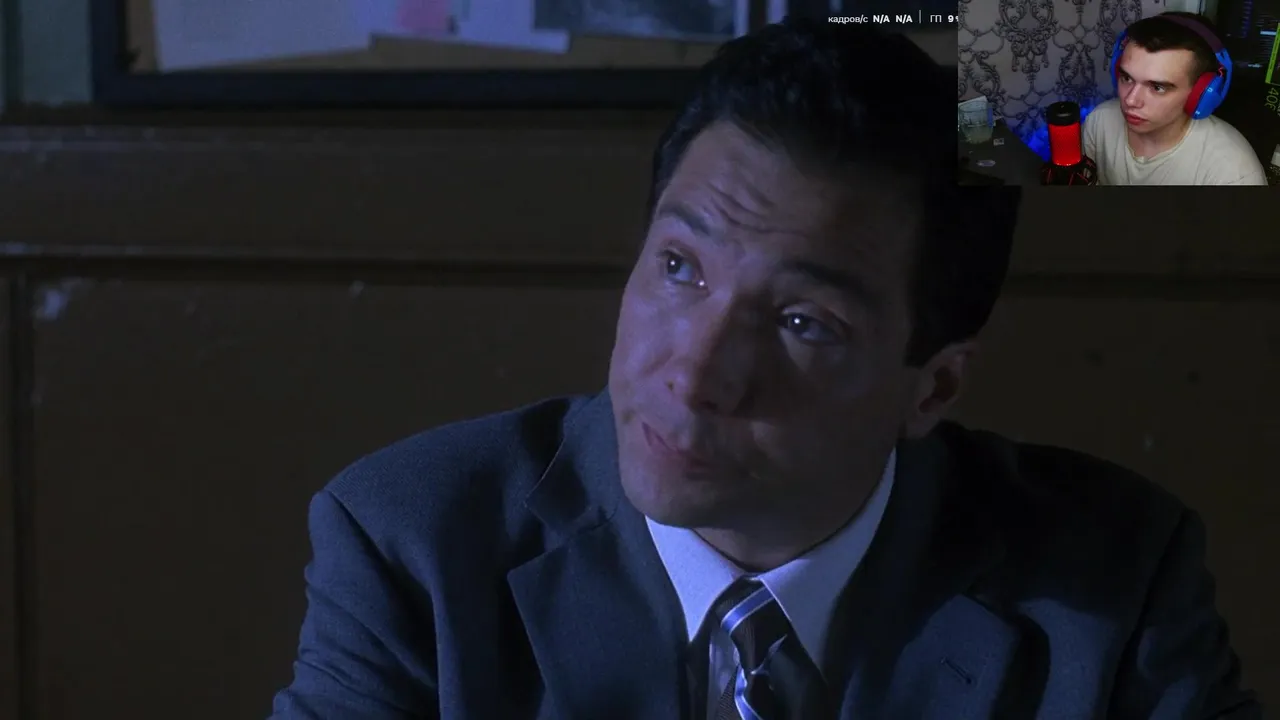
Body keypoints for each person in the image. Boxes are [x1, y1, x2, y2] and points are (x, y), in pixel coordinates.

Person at [270, 18, 1262, 720]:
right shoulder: (412, 546)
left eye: (801, 321)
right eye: (679, 267)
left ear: (933, 387)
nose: (695, 372)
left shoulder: (1110, 584)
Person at [1082, 12, 1267, 185]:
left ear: (1201, 95)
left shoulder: (1233, 173)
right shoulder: (1099, 122)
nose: (1130, 101)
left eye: (1157, 87)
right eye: (1127, 78)